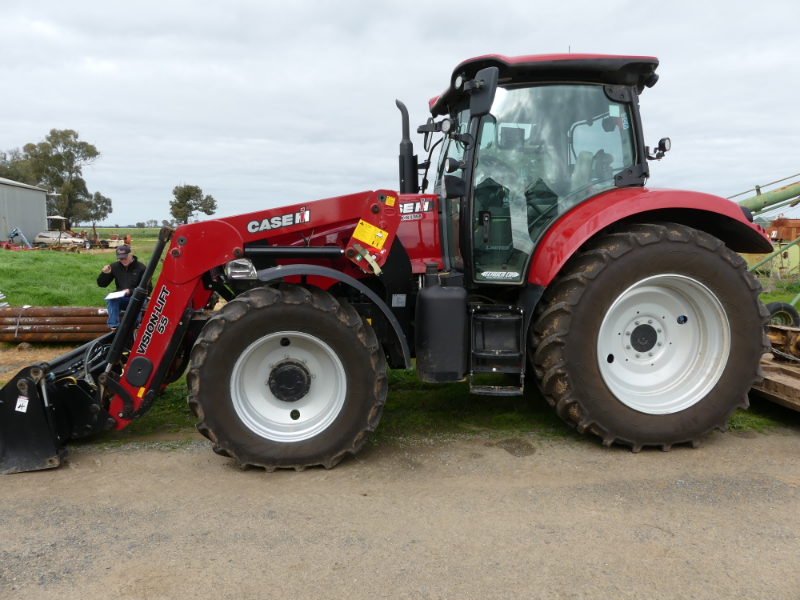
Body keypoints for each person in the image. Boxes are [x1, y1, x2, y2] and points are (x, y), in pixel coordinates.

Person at [97, 245, 146, 329]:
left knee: (136, 300)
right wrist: (105, 274)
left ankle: (135, 326)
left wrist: (130, 291)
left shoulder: (141, 268)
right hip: (122, 298)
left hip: (137, 298)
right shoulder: (115, 266)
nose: (123, 260)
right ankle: (114, 326)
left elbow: (148, 289)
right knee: (111, 299)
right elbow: (102, 284)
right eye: (120, 258)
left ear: (131, 255)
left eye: (125, 257)